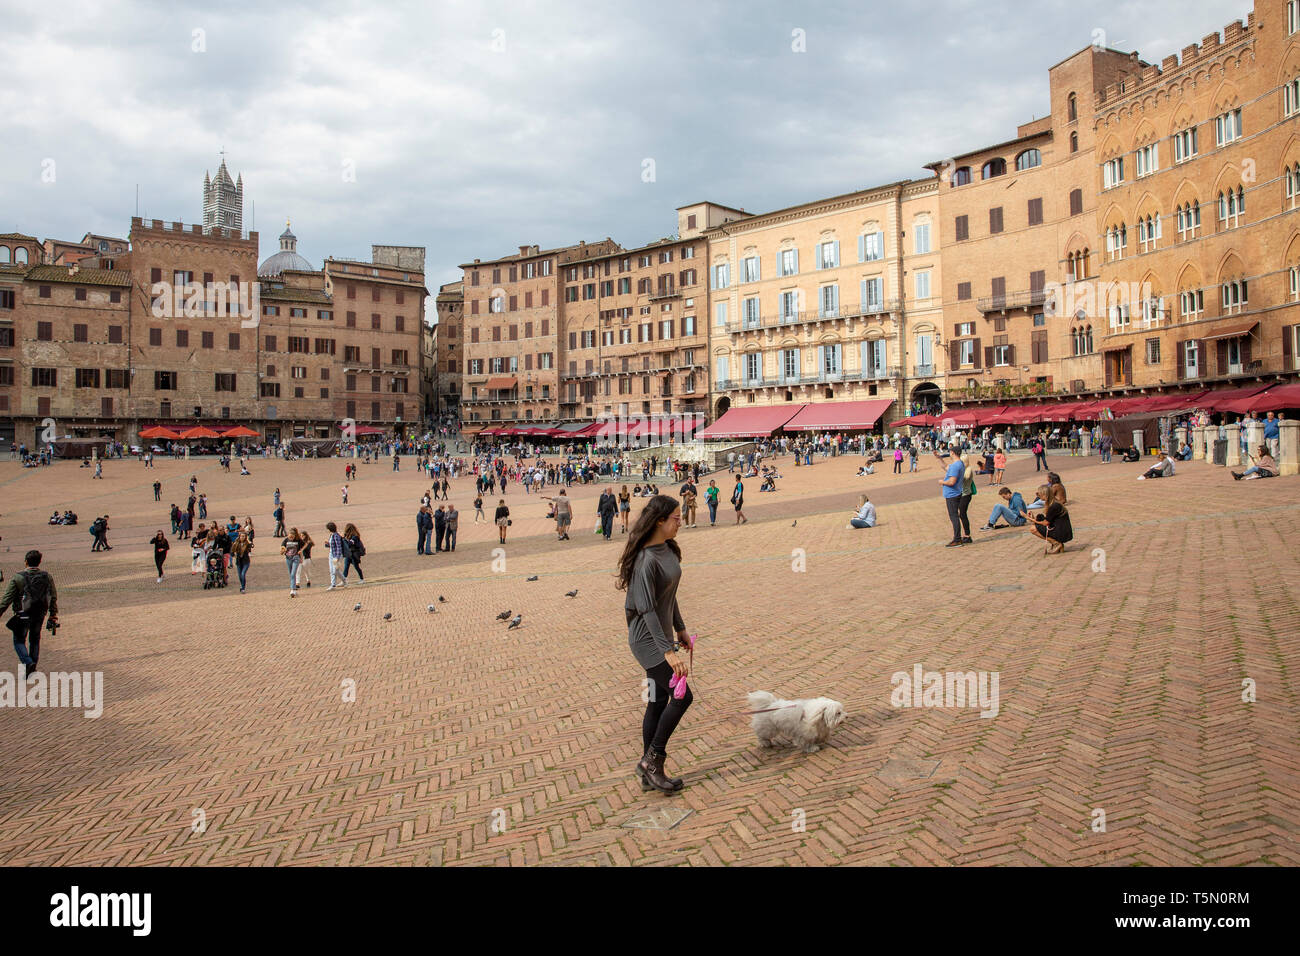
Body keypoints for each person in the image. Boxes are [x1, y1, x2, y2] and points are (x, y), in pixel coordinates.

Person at [617, 494, 692, 793]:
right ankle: (653, 760)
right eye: (675, 517)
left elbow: (668, 596)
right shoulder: (645, 560)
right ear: (660, 521)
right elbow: (647, 609)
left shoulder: (667, 549)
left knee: (658, 701)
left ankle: (649, 770)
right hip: (647, 640)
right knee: (682, 697)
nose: (680, 521)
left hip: (661, 634)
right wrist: (668, 651)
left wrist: (681, 629)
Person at [1, 550, 58, 678]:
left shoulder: (18, 577)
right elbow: (53, 596)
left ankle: (28, 662)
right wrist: (53, 614)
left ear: (26, 561)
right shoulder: (46, 576)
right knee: (35, 639)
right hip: (40, 613)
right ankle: (32, 668)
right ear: (39, 562)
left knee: (19, 640)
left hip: (22, 613)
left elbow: (7, 599)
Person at [1029, 484, 1073, 554]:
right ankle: (1057, 544)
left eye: (1040, 494)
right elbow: (1049, 519)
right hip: (1062, 529)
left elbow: (1046, 522)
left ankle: (1056, 543)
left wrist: (1032, 520)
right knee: (1039, 517)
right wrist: (1035, 519)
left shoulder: (1053, 506)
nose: (1038, 496)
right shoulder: (1054, 502)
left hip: (1061, 532)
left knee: (1033, 529)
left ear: (1044, 495)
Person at [938, 442, 965, 547]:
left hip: (952, 494)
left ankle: (957, 539)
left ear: (953, 453)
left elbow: (952, 481)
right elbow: (945, 468)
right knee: (954, 516)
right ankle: (957, 538)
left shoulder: (955, 466)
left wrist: (942, 482)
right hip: (956, 493)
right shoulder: (960, 464)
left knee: (954, 517)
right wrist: (939, 458)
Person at [282, 528, 303, 597]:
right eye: (290, 537)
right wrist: (283, 550)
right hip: (288, 558)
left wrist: (301, 553)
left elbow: (305, 545)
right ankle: (294, 589)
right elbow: (282, 548)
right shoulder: (285, 540)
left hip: (295, 558)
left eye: (292, 537)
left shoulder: (298, 540)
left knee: (293, 574)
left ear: (294, 536)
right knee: (291, 574)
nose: (291, 538)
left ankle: (292, 590)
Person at [326, 522, 347, 589]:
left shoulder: (336, 536)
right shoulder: (331, 535)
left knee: (335, 570)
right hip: (331, 554)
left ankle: (344, 580)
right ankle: (333, 584)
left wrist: (337, 557)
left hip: (336, 555)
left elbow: (339, 547)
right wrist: (327, 544)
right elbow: (332, 545)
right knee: (331, 570)